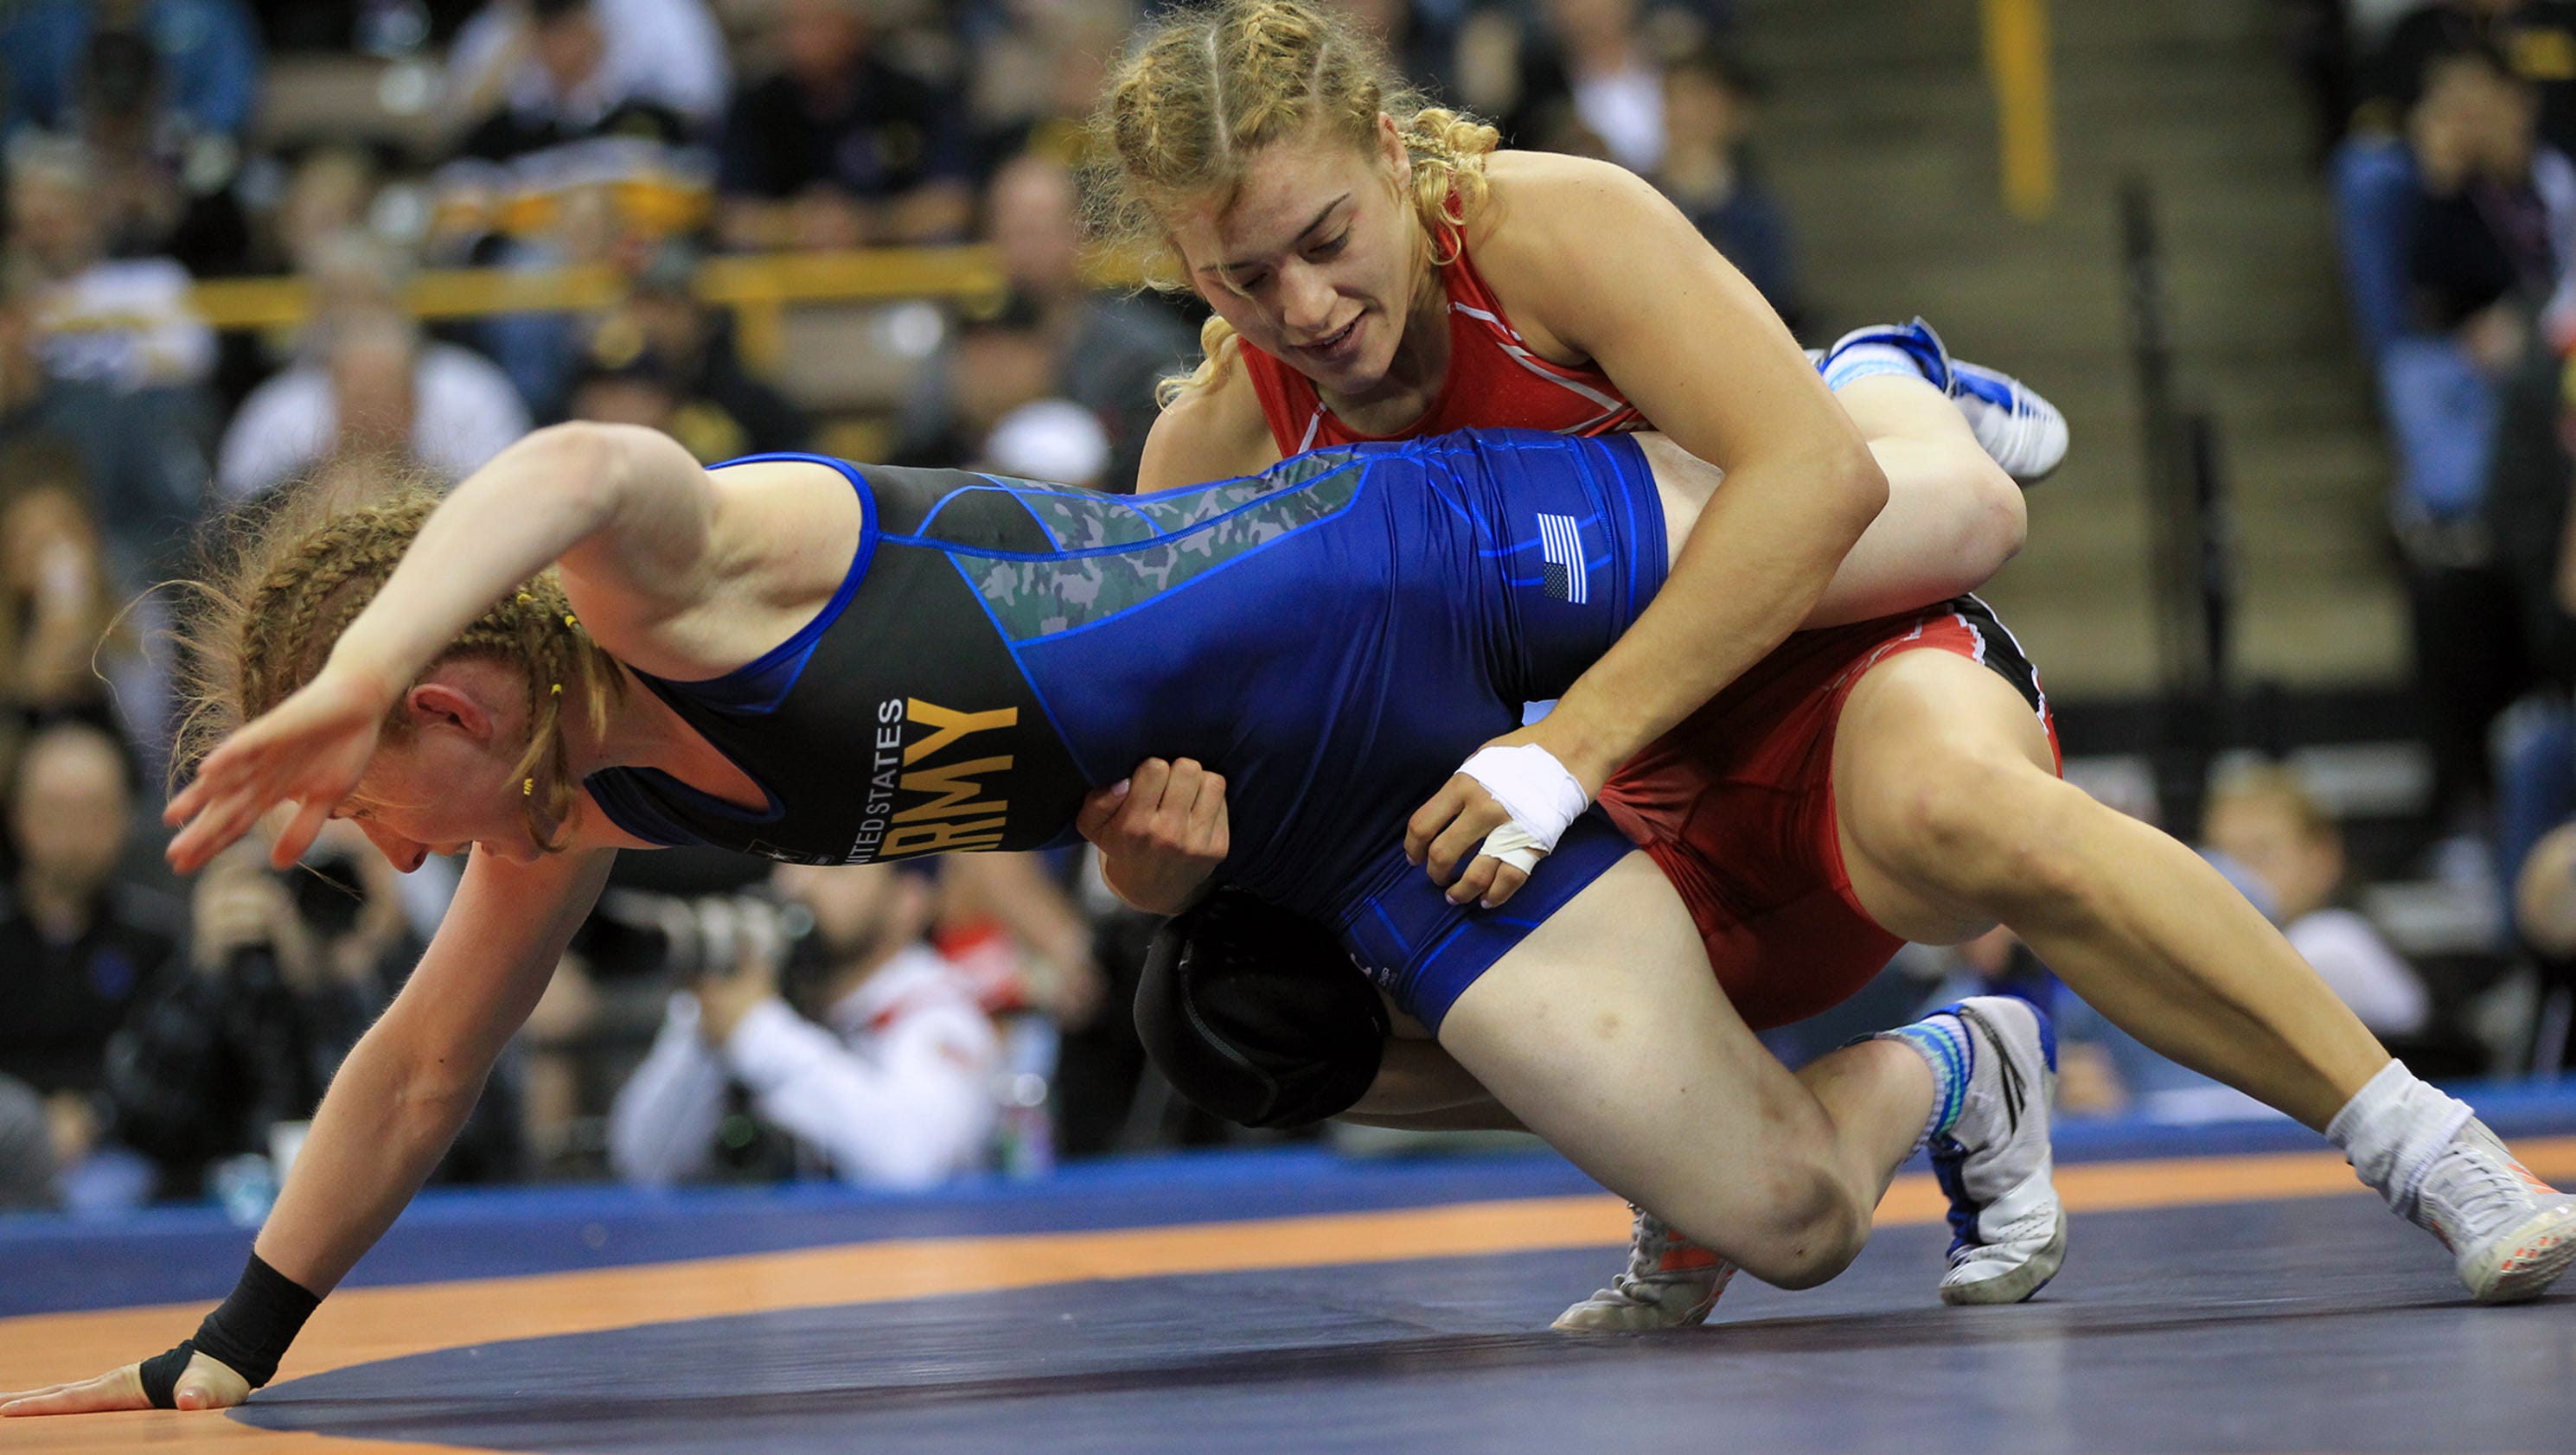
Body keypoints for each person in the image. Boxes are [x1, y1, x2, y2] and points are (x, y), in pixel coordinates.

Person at [1, 407, 2080, 1416]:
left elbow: (570, 456)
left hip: (1405, 558)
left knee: (1958, 506)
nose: (419, 848)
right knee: (1792, 1223)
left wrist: (355, 670)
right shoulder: (577, 799)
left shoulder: (681, 578)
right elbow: (422, 1061)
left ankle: (1862, 381)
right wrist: (233, 1343)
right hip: (1360, 819)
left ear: (447, 684)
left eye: (389, 794)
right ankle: (1964, 1063)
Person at [1073, 0, 2570, 1330]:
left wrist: (1566, 742)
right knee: (1247, 1009)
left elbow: (1810, 488)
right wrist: (1152, 874)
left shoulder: (1550, 230)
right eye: (1241, 279)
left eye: (1326, 241)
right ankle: (1934, 1076)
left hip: (1827, 661)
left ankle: (2429, 1148)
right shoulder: (1212, 449)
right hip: (1626, 817)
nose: (1306, 309)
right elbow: (1193, 797)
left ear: (1394, 160)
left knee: (1960, 792)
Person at [607, 863, 1000, 1190]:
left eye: (835, 869)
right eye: (791, 861)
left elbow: (916, 1165)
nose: (798, 884)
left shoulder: (937, 1013)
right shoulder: (769, 997)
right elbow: (643, 1163)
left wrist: (758, 1034)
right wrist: (704, 1028)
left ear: (907, 902)